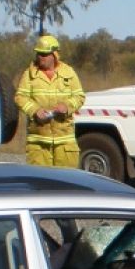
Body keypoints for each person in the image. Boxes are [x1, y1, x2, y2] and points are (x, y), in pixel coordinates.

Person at [15, 34, 85, 168]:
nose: (40, 57)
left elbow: (79, 96)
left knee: (66, 182)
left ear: (54, 55)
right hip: (38, 142)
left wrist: (67, 107)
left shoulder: (69, 73)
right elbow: (20, 97)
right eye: (39, 53)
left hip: (64, 141)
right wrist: (35, 110)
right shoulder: (29, 75)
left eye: (45, 54)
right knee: (41, 183)